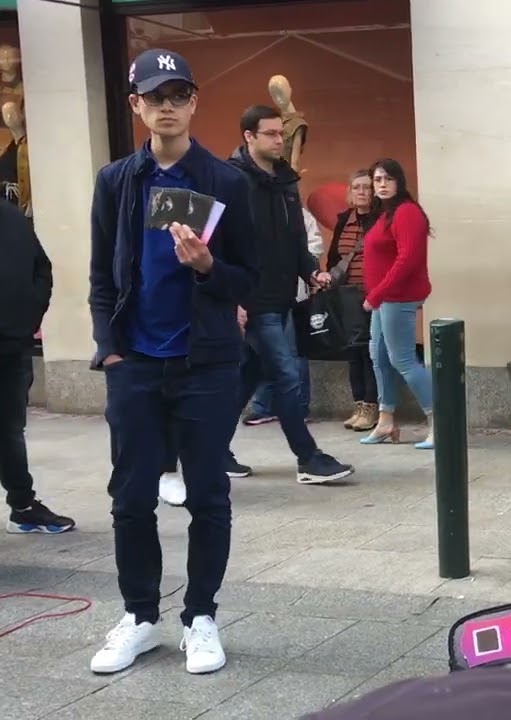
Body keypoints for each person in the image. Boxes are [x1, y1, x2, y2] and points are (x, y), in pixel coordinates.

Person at [88, 48, 256, 675]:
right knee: (131, 497)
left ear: (193, 103)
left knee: (207, 494)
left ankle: (200, 617)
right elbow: (101, 275)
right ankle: (139, 616)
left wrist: (208, 267)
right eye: (154, 96)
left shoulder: (225, 181)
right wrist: (109, 347)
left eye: (178, 95)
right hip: (134, 361)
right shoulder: (116, 182)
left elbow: (253, 280)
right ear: (136, 105)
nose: (167, 107)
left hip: (205, 362)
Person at [225, 104, 353, 485]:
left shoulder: (285, 181)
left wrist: (310, 271)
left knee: (248, 376)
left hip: (283, 296)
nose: (279, 140)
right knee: (286, 375)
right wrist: (232, 298)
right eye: (270, 134)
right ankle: (308, 458)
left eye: (280, 133)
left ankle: (210, 450)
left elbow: (296, 236)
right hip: (253, 297)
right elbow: (222, 243)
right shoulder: (230, 181)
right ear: (249, 136)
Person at [0, 200, 73, 534]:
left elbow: (41, 267)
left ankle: (23, 507)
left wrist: (30, 315)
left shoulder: (11, 217)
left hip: (12, 346)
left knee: (9, 431)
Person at [359, 158, 435, 449]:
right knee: (379, 356)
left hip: (397, 296)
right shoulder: (386, 213)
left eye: (388, 179)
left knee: (402, 359)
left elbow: (407, 259)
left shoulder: (406, 212)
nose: (382, 185)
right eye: (377, 180)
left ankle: (442, 422)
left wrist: (377, 294)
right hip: (384, 298)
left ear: (399, 182)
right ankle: (386, 421)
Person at [244, 207, 323, 424]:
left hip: (293, 295)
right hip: (261, 296)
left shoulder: (299, 214)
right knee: (263, 351)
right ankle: (264, 406)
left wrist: (299, 265)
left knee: (294, 352)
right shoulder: (251, 211)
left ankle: (298, 406)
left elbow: (313, 248)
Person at [325, 170, 379, 432]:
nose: (361, 192)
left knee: (370, 352)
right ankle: (359, 404)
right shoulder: (344, 220)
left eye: (366, 187)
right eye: (356, 187)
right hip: (347, 296)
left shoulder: (381, 219)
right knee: (353, 352)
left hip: (373, 295)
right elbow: (334, 257)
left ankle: (372, 405)